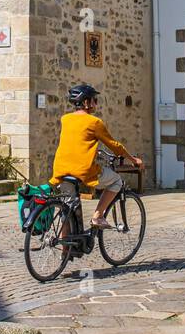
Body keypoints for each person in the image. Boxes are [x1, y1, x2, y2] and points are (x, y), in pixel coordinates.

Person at [50, 82, 143, 230]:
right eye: (95, 100)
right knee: (116, 181)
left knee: (68, 210)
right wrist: (133, 160)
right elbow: (114, 145)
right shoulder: (94, 122)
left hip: (61, 169)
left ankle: (65, 251)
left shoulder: (65, 119)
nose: (96, 104)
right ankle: (98, 216)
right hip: (82, 170)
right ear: (86, 102)